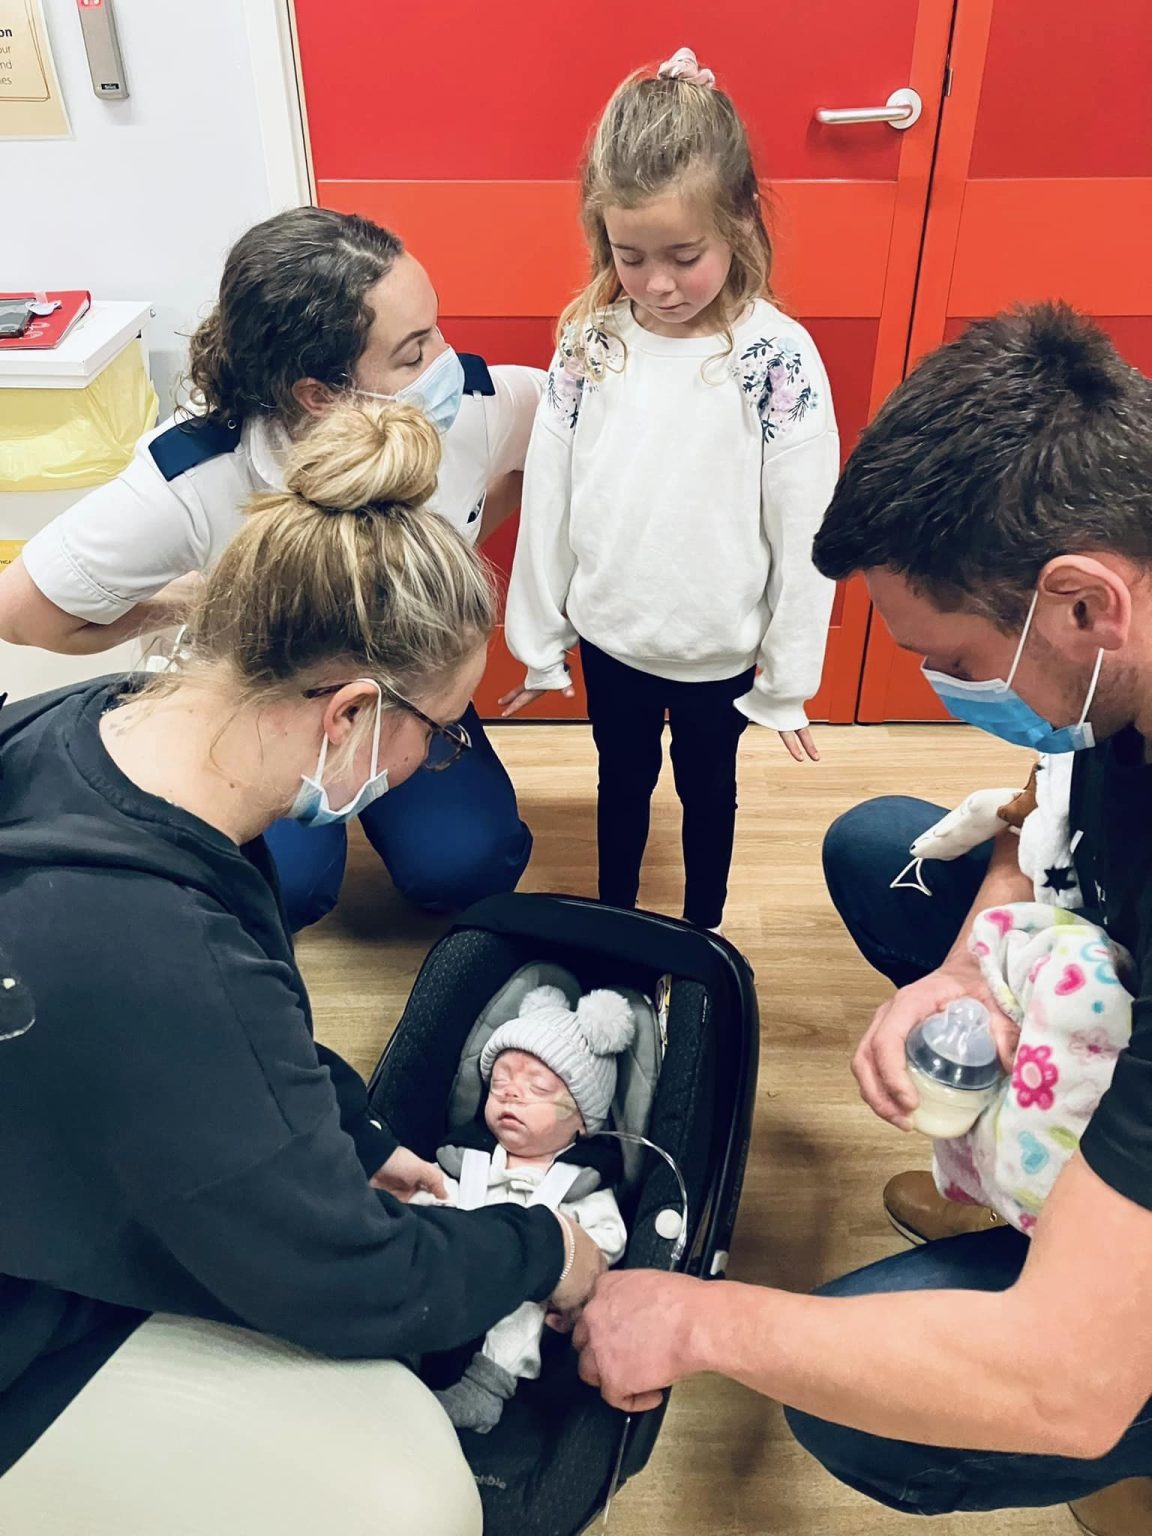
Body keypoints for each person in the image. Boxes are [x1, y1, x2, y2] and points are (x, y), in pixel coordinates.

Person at [571, 305, 1152, 1532]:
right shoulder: (1119, 662)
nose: (949, 691)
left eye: (960, 660)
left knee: (866, 1411)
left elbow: (1064, 1385)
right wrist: (971, 968)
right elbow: (1042, 802)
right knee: (880, 849)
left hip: (1086, 1363)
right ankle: (1044, 1195)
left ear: (1085, 604)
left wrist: (699, 1319)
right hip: (1111, 974)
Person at [0, 400, 604, 1536]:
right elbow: (344, 1280)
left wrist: (355, 1134)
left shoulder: (77, 731)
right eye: (442, 731)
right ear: (356, 711)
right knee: (410, 1489)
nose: (435, 758)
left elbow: (211, 1057)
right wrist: (545, 1249)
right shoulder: (168, 956)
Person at [0, 206, 540, 931]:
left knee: (468, 863)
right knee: (284, 888)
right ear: (318, 394)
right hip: (269, 698)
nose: (444, 362)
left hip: (401, 686)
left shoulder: (471, 407)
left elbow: (547, 450)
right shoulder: (195, 476)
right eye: (413, 356)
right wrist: (204, 603)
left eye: (436, 329)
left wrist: (441, 572)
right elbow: (23, 613)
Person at [501, 47, 839, 931]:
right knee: (621, 781)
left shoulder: (776, 356)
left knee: (707, 792)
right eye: (631, 256)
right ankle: (617, 921)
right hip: (612, 634)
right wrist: (538, 637)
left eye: (685, 256)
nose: (658, 283)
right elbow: (552, 490)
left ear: (740, 222)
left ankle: (701, 935)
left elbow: (806, 522)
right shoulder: (591, 340)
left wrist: (789, 677)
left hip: (716, 651)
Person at [411, 985, 633, 1432]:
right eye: (499, 1084)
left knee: (527, 1303)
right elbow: (436, 1192)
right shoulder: (467, 1158)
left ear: (582, 1118)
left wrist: (571, 1247)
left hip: (526, 1285)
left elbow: (610, 1238)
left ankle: (486, 1389)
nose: (511, 1094)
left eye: (538, 1087)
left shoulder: (581, 1183)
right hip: (456, 1266)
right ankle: (404, 1351)